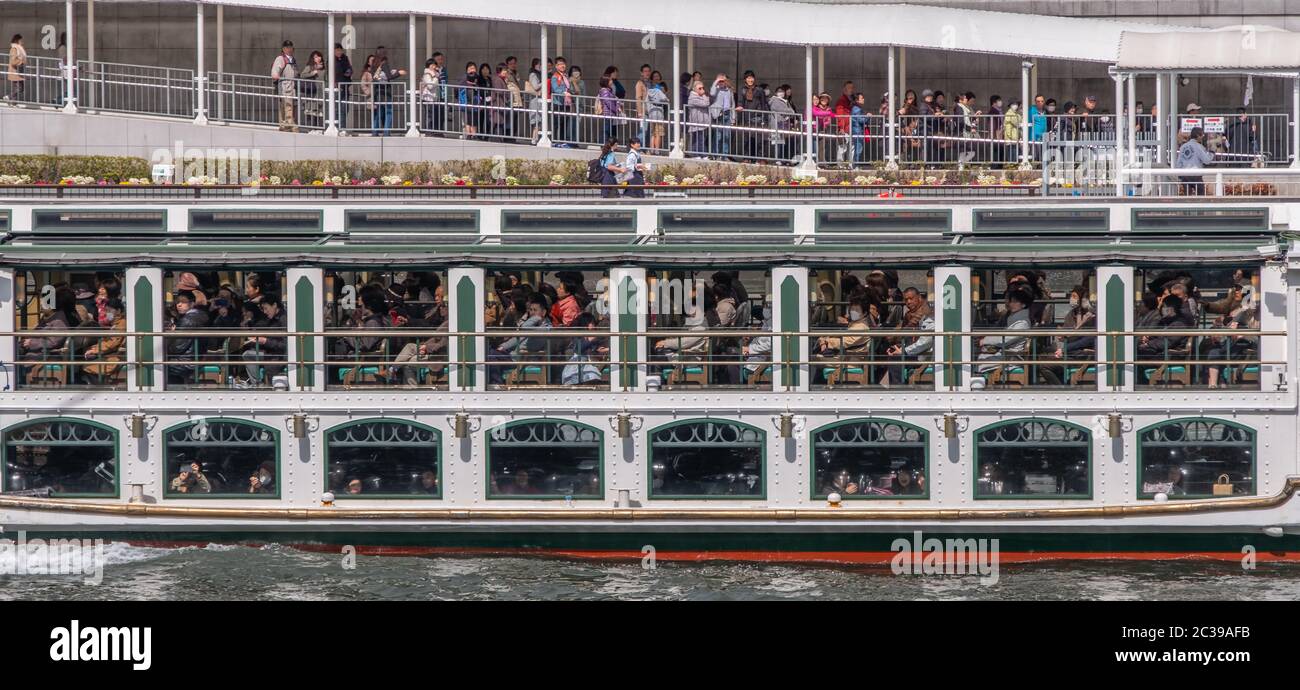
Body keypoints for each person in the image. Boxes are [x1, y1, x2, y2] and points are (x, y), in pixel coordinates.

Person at [976, 287, 1033, 375]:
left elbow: (1004, 339)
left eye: (1015, 301)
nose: (1011, 304)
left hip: (1012, 358)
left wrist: (984, 340)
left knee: (977, 361)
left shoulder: (1023, 323)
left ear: (1023, 304)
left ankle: (979, 384)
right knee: (979, 358)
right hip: (1007, 355)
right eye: (1011, 301)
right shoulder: (1017, 319)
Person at [237, 296, 286, 387]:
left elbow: (285, 345)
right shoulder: (272, 319)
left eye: (266, 308)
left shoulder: (283, 319)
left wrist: (265, 341)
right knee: (247, 354)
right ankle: (257, 383)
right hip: (271, 353)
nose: (264, 311)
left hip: (279, 356)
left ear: (274, 305)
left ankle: (257, 383)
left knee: (248, 355)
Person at [80, 298, 126, 385]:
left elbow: (112, 343)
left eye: (109, 311)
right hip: (110, 354)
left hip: (114, 357)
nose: (107, 313)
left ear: (118, 311)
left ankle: (99, 387)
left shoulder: (121, 324)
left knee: (87, 367)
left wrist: (95, 350)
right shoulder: (115, 323)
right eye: (106, 310)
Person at [1175, 126, 1214, 195]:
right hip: (1195, 175)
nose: (1203, 136)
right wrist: (1212, 153)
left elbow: (1178, 163)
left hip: (1184, 175)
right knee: (1200, 196)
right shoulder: (1198, 147)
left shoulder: (1183, 147)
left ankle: (1188, 205)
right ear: (1198, 136)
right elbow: (1207, 160)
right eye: (1202, 134)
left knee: (1187, 196)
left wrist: (1179, 174)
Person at [270, 40, 299, 132]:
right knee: (287, 105)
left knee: (290, 106)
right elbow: (275, 72)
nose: (289, 49)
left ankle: (284, 124)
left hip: (293, 86)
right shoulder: (281, 59)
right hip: (284, 86)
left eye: (290, 47)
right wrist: (277, 77)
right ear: (283, 49)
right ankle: (289, 124)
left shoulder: (292, 60)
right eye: (287, 48)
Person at [709, 73, 735, 157]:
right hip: (718, 115)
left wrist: (733, 117)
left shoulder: (729, 90)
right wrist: (716, 81)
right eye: (720, 81)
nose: (721, 83)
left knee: (726, 136)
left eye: (723, 81)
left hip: (727, 114)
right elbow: (712, 93)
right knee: (718, 136)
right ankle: (715, 155)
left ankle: (724, 155)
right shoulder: (716, 89)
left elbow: (732, 104)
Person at [298, 50, 325, 129]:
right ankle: (311, 128)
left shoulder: (324, 68)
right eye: (316, 57)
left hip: (320, 92)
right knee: (311, 110)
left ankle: (318, 127)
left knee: (319, 112)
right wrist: (312, 73)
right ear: (312, 59)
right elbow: (302, 75)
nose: (318, 58)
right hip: (312, 92)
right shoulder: (310, 67)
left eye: (319, 56)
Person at [686, 81, 711, 157]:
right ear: (694, 89)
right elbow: (706, 103)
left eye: (703, 88)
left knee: (701, 139)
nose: (702, 89)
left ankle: (700, 155)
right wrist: (704, 95)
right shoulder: (693, 97)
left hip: (702, 122)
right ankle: (698, 155)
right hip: (696, 122)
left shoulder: (700, 96)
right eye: (699, 88)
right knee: (698, 140)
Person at [331, 43, 353, 130]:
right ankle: (336, 128)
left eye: (340, 50)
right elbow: (331, 73)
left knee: (344, 109)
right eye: (337, 50)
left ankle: (342, 128)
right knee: (336, 110)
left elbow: (350, 68)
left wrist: (349, 72)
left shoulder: (345, 58)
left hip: (345, 86)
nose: (339, 52)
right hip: (336, 88)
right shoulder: (331, 60)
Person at [418, 57, 443, 134]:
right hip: (428, 98)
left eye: (434, 65)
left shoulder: (434, 74)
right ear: (428, 66)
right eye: (432, 65)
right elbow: (430, 86)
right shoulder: (427, 74)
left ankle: (432, 131)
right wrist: (436, 77)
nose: (434, 67)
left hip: (433, 98)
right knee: (429, 116)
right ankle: (428, 131)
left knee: (433, 115)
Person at [5, 34, 25, 103]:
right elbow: (13, 61)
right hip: (15, 71)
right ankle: (9, 97)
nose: (22, 42)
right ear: (17, 40)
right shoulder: (14, 49)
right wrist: (21, 62)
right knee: (20, 88)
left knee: (18, 88)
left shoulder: (19, 48)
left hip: (19, 71)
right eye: (21, 40)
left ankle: (13, 102)